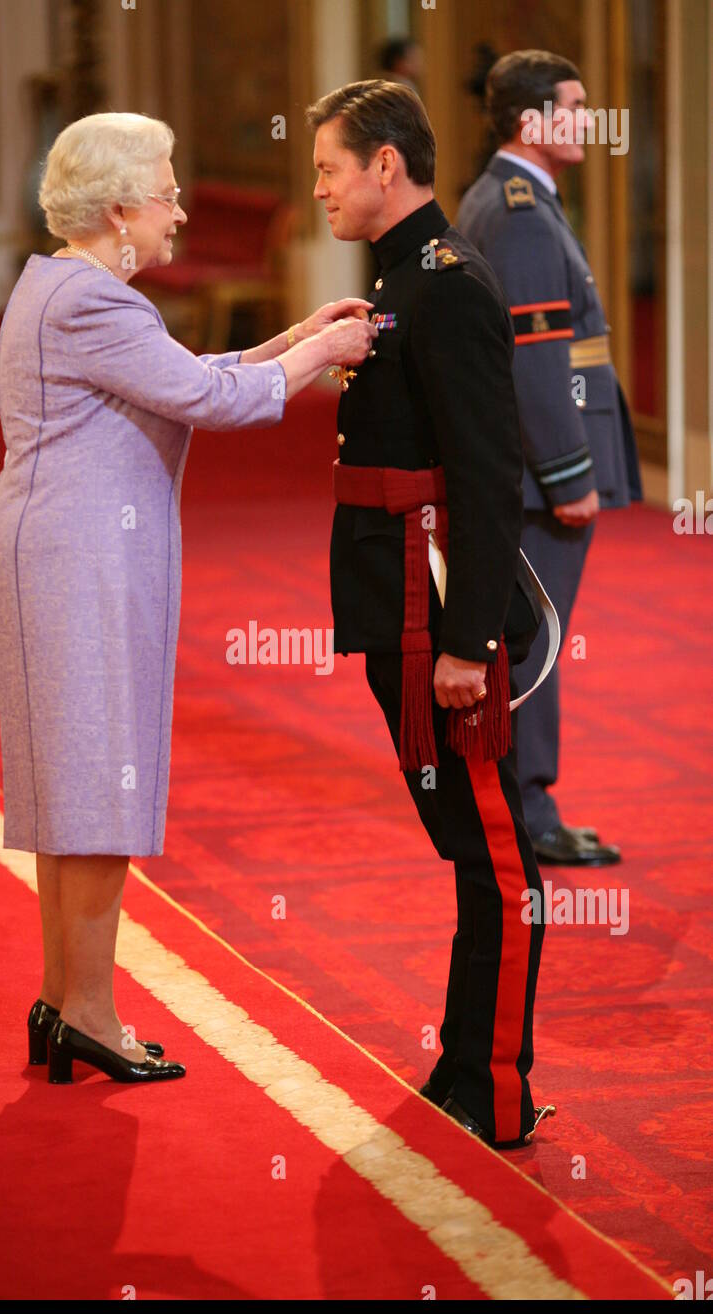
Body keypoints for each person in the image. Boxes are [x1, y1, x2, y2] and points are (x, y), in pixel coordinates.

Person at [0, 111, 376, 1086]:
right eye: (166, 192)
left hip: (51, 550)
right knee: (98, 785)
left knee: (68, 783)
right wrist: (322, 357)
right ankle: (92, 1012)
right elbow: (217, 401)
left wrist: (292, 337)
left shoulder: (61, 284)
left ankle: (62, 1000)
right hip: (80, 561)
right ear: (119, 208)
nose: (180, 211)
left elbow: (184, 378)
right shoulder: (98, 305)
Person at [305, 79, 555, 1148]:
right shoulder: (399, 274)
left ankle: (493, 1087)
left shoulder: (445, 283)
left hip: (439, 617)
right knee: (459, 841)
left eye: (327, 168)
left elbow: (488, 475)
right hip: (393, 604)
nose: (316, 187)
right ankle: (459, 1061)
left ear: (385, 168)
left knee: (493, 853)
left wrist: (468, 644)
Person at [456, 50, 642, 867]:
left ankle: (521, 799)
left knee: (527, 637)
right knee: (537, 641)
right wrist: (570, 476)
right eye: (574, 106)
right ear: (532, 122)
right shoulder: (523, 209)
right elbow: (537, 363)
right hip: (543, 475)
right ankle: (528, 809)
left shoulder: (505, 196)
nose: (587, 120)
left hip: (528, 470)